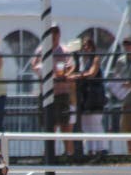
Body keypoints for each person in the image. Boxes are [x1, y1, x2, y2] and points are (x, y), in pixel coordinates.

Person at [31, 22, 75, 156]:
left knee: (65, 125)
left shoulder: (65, 51)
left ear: (59, 34)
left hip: (61, 93)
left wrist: (60, 74)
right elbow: (34, 65)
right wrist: (44, 71)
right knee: (49, 125)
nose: (53, 35)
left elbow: (70, 67)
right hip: (46, 93)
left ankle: (69, 154)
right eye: (51, 32)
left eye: (56, 32)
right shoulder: (41, 50)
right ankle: (50, 154)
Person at [70, 37, 108, 160]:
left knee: (95, 122)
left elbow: (92, 73)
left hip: (95, 95)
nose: (85, 48)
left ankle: (101, 149)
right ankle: (91, 150)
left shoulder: (95, 59)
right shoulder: (83, 60)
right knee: (86, 124)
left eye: (87, 46)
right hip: (86, 95)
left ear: (92, 47)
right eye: (84, 46)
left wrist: (78, 75)